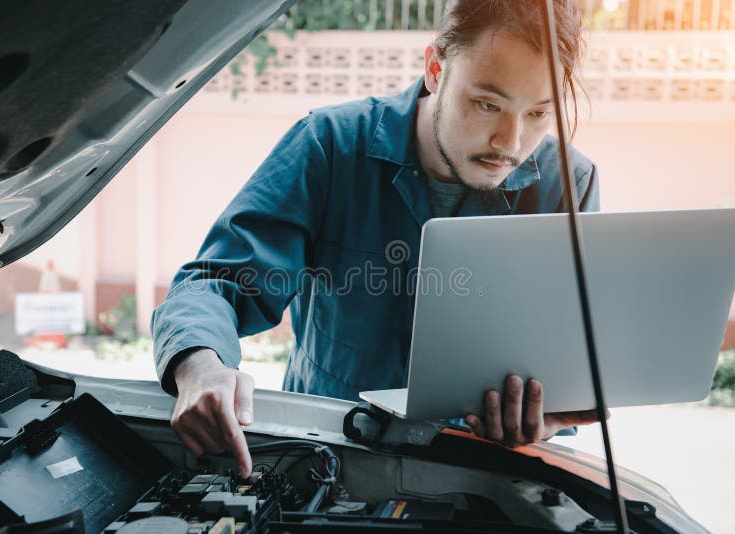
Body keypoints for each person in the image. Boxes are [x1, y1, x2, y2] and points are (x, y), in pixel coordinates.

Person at [152, 0, 607, 477]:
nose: (510, 143)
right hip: (328, 457)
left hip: (477, 472)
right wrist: (198, 363)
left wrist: (544, 417)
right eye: (487, 104)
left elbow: (565, 359)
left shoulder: (568, 184)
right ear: (436, 68)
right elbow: (216, 280)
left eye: (538, 113)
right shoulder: (329, 145)